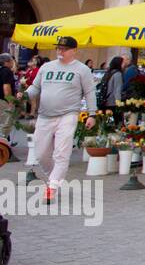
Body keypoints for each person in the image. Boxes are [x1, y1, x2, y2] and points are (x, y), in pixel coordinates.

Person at [27, 36, 97, 203]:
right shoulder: (46, 67)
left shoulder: (82, 70)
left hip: (68, 115)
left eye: (64, 49)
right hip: (44, 115)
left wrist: (92, 114)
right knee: (41, 153)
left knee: (61, 153)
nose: (60, 51)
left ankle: (52, 187)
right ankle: (55, 178)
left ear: (74, 51)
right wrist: (24, 94)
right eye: (58, 48)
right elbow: (35, 87)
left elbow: (89, 92)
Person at [0, 53, 17, 145]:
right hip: (3, 100)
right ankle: (2, 146)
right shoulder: (7, 71)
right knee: (5, 124)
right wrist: (10, 100)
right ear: (7, 61)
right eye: (12, 60)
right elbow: (6, 87)